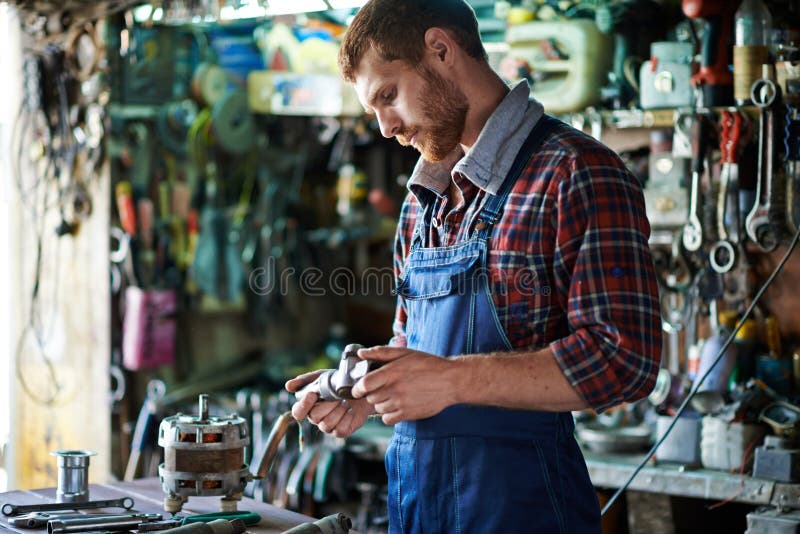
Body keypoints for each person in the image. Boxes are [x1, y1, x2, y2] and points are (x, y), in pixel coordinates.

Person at [286, 0, 663, 531]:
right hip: (419, 513)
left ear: (441, 50)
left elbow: (624, 361)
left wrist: (451, 381)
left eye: (389, 96)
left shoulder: (576, 172)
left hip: (522, 516)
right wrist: (366, 393)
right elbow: (412, 350)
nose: (386, 127)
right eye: (373, 111)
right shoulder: (422, 202)